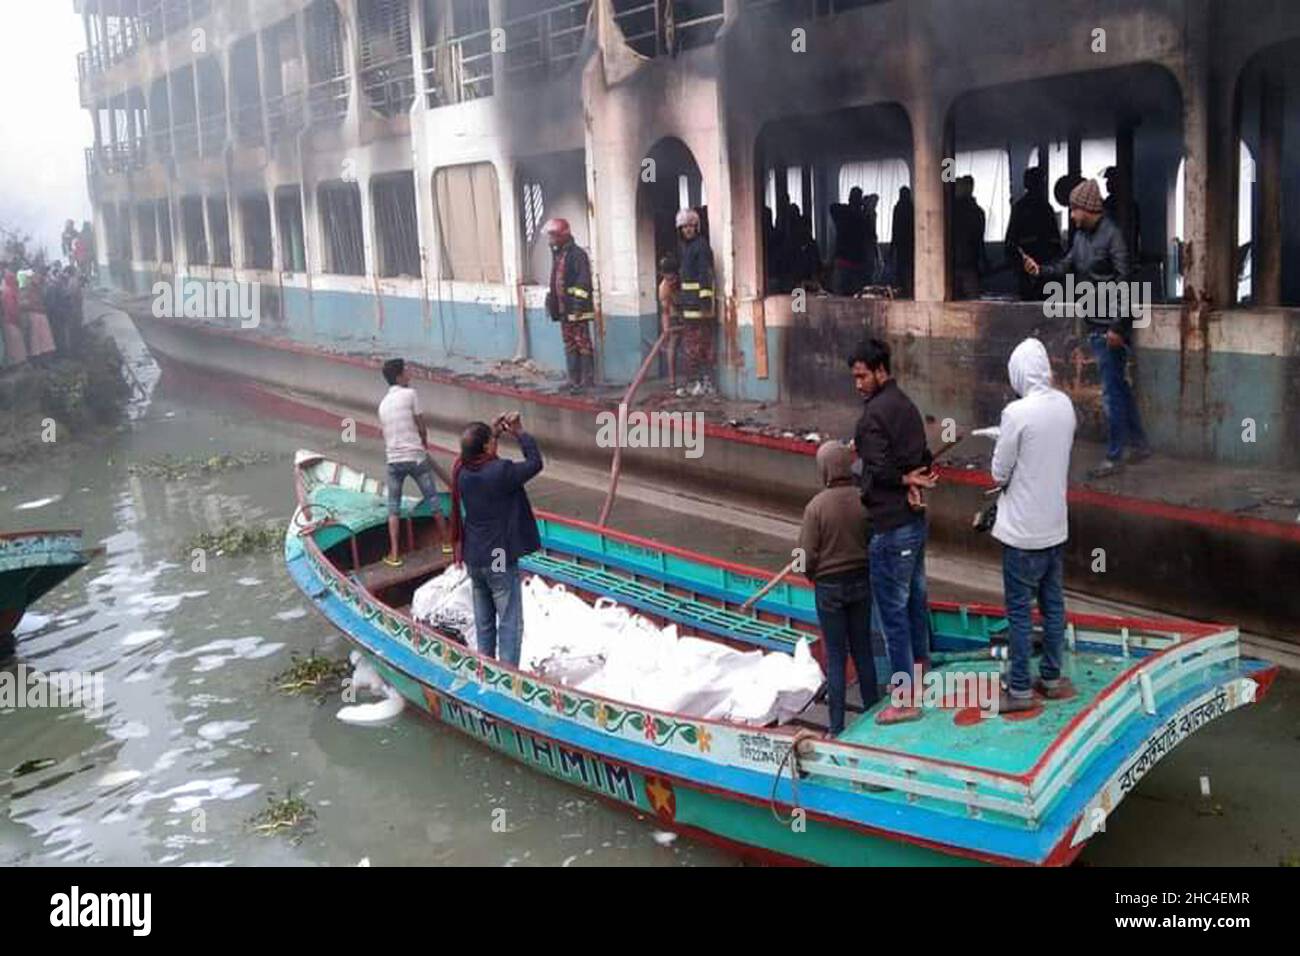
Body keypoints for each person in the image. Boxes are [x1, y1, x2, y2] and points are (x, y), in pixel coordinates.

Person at [1022, 178, 1149, 477]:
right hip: (1095, 323)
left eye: (1074, 209)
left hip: (1110, 328)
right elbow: (1066, 265)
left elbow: (1126, 282)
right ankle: (1141, 444)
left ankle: (1115, 456)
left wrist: (1118, 327)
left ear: (1087, 208)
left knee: (1110, 393)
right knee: (1120, 387)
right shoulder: (1080, 237)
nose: (1071, 215)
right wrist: (1040, 271)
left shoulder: (1113, 236)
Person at [849, 338, 936, 724]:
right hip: (915, 522)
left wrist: (899, 478)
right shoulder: (907, 405)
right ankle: (919, 675)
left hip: (891, 526)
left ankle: (905, 699)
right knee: (915, 601)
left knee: (892, 613)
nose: (858, 384)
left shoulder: (871, 418)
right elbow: (925, 458)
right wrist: (913, 479)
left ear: (880, 370)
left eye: (862, 375)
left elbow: (879, 470)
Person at [989, 338, 1077, 711]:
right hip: (1055, 527)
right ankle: (1052, 678)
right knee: (1053, 606)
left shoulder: (1016, 414)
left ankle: (1020, 689)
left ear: (1019, 372)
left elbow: (999, 471)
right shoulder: (1065, 406)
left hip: (1022, 533)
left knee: (1020, 613)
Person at [449, 414, 543, 667]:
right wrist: (520, 432)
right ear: (487, 447)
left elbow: (474, 452)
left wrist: (494, 433)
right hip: (497, 555)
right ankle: (508, 674)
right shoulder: (500, 471)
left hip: (474, 556)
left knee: (484, 621)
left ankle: (485, 666)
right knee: (509, 619)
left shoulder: (461, 470)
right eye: (492, 442)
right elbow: (535, 463)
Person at [798, 440, 878, 734]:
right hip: (861, 581)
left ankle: (836, 725)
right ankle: (872, 713)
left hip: (829, 587)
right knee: (863, 650)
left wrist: (814, 576)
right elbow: (874, 536)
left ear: (824, 470)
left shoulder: (815, 507)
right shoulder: (864, 499)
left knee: (835, 656)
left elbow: (806, 555)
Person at [377, 358, 451, 567]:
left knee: (393, 508)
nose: (410, 373)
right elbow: (421, 425)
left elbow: (386, 433)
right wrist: (424, 442)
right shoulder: (411, 394)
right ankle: (446, 543)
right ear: (399, 376)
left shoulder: (382, 405)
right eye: (406, 371)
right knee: (433, 501)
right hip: (416, 458)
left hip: (394, 461)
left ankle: (394, 554)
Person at [542, 218, 596, 393]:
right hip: (564, 311)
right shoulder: (558, 255)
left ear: (562, 236)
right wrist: (552, 300)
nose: (550, 240)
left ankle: (587, 382)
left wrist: (578, 306)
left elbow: (583, 283)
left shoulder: (577, 255)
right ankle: (574, 381)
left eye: (553, 236)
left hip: (576, 311)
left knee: (583, 344)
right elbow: (557, 281)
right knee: (570, 345)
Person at [676, 208, 717, 396]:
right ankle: (697, 383)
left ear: (697, 227)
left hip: (700, 309)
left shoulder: (700, 246)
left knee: (699, 347)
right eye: (684, 227)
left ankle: (704, 383)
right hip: (690, 308)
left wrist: (705, 300)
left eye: (691, 226)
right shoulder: (685, 248)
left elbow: (705, 274)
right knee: (693, 347)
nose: (687, 230)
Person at [1004, 167, 1061, 300]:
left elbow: (1011, 241)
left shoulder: (1024, 207)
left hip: (1039, 267)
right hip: (1033, 266)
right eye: (1040, 182)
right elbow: (1012, 242)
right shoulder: (1042, 208)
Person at [830, 187, 870, 296]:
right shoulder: (860, 217)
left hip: (844, 262)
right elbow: (869, 235)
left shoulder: (842, 212)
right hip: (854, 264)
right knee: (856, 299)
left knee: (839, 299)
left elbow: (832, 207)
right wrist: (865, 208)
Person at [951, 175, 987, 299]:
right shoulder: (977, 212)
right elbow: (979, 242)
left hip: (952, 267)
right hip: (969, 266)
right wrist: (984, 262)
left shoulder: (949, 213)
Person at [657, 254, 682, 390]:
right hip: (674, 313)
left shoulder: (685, 280)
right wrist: (666, 329)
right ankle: (672, 380)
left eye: (672, 278)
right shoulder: (663, 288)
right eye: (667, 278)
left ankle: (693, 378)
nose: (670, 281)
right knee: (672, 344)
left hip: (688, 310)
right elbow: (665, 311)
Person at [890, 186, 914, 296]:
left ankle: (902, 292)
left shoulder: (898, 208)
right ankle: (909, 293)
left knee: (901, 272)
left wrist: (892, 248)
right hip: (911, 246)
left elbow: (894, 229)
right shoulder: (912, 208)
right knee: (909, 273)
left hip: (900, 246)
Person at [1, 269, 27, 367]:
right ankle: (18, 364)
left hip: (9, 320)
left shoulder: (7, 290)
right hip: (12, 320)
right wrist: (16, 319)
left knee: (13, 343)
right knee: (16, 343)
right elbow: (11, 308)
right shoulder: (9, 292)